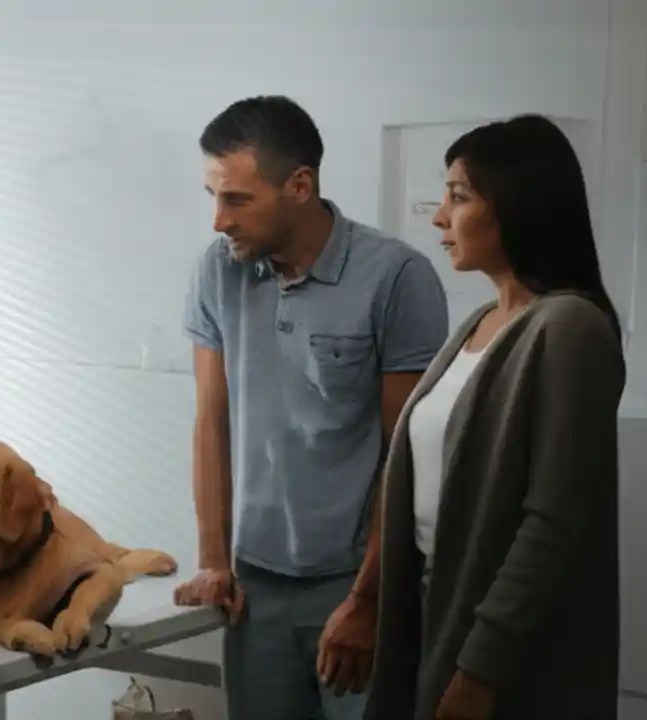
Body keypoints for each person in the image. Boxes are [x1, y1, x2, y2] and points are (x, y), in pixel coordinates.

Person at [171, 94, 449, 719]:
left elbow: (405, 454)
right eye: (213, 196)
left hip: (355, 583)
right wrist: (214, 559)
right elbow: (211, 424)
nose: (219, 220)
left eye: (236, 199)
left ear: (299, 185)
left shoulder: (397, 278)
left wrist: (370, 599)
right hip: (255, 588)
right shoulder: (218, 272)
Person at [362, 114, 625, 720]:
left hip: (500, 641)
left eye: (458, 197)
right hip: (436, 606)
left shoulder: (569, 327)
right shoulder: (479, 322)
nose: (438, 217)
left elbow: (551, 521)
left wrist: (481, 667)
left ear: (518, 205)